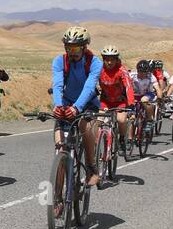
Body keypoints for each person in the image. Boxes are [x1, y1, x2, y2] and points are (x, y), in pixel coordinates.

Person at [50, 26, 102, 187]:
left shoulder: (94, 62)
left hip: (87, 105)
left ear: (84, 47)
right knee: (60, 146)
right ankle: (57, 194)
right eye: (68, 47)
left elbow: (89, 87)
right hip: (66, 103)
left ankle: (91, 168)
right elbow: (57, 85)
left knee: (84, 126)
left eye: (75, 48)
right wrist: (58, 105)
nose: (71, 52)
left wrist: (77, 108)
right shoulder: (60, 61)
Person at [96, 47, 134, 150]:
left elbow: (128, 87)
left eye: (112, 59)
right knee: (98, 121)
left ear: (116, 60)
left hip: (120, 101)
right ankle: (96, 144)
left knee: (121, 120)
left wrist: (131, 103)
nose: (109, 62)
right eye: (107, 59)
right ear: (103, 60)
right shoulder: (99, 69)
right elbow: (91, 81)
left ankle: (122, 138)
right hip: (105, 101)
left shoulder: (122, 71)